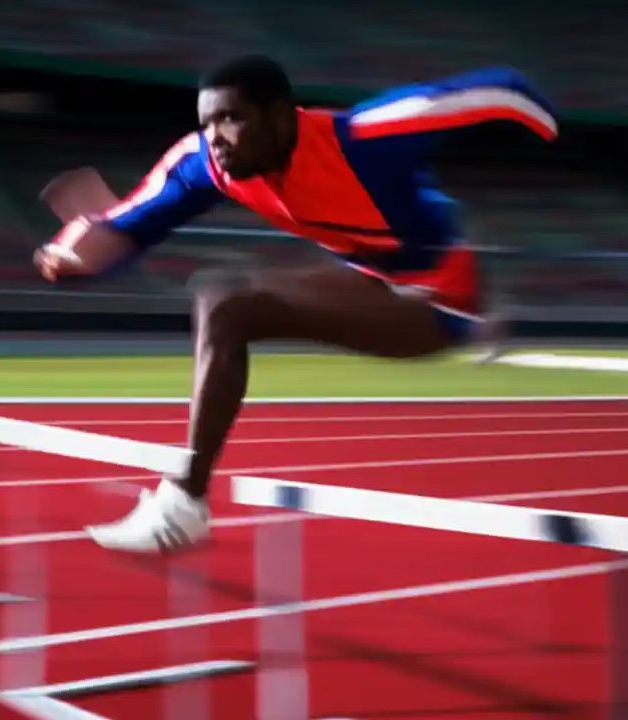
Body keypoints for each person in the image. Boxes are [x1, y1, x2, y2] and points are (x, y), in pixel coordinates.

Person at [34, 54, 558, 553]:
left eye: (232, 119)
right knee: (224, 296)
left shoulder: (368, 138)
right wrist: (70, 256)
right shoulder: (207, 164)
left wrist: (551, 129)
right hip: (371, 279)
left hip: (439, 299)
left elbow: (499, 88)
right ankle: (186, 504)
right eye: (207, 123)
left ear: (281, 116)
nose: (216, 138)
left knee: (225, 299)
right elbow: (126, 224)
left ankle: (183, 503)